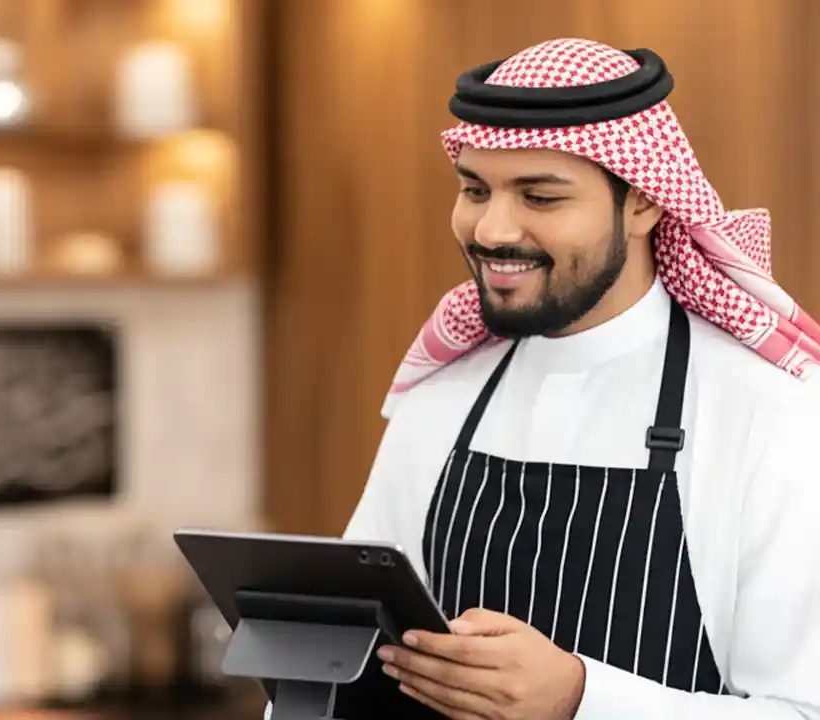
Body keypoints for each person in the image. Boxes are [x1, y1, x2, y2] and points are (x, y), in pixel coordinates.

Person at [270, 38, 820, 720]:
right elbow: (349, 654)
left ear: (644, 202)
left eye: (541, 196)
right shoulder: (446, 392)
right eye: (475, 189)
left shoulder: (771, 412)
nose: (493, 228)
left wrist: (580, 699)